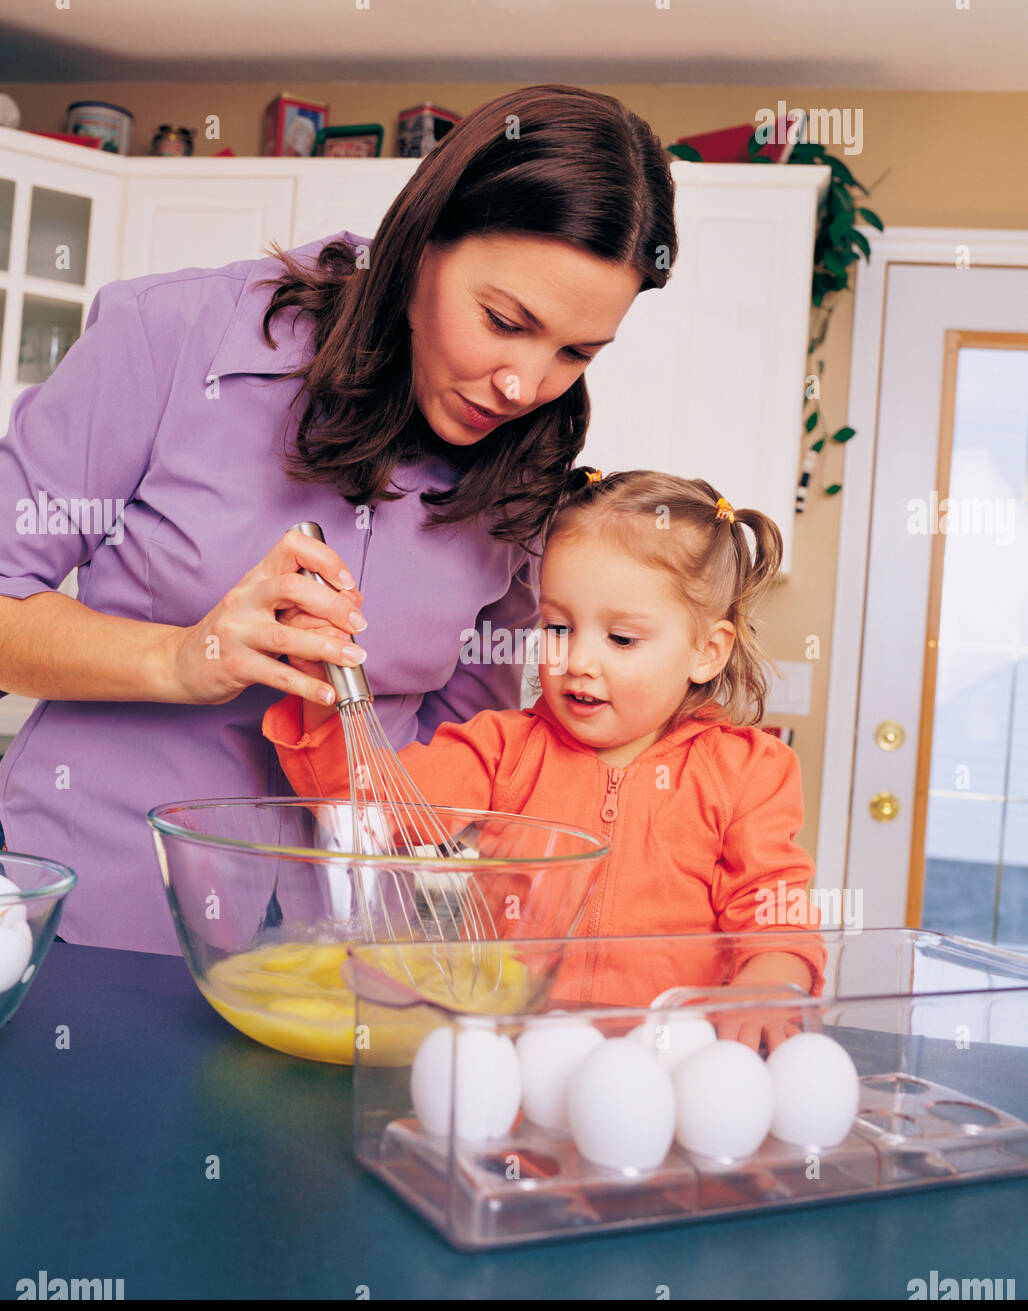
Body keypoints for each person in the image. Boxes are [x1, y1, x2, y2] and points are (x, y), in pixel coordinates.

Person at [0, 85, 677, 952]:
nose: (524, 385)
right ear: (421, 242)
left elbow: (470, 727)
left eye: (577, 352)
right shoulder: (168, 337)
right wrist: (177, 656)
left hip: (360, 946)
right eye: (504, 321)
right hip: (105, 918)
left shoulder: (529, 464)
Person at [264, 471, 827, 1048]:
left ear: (707, 652)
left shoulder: (749, 773)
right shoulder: (503, 750)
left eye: (622, 639)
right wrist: (320, 685)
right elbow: (375, 806)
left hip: (665, 1059)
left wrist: (772, 984)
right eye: (559, 626)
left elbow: (773, 909)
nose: (577, 660)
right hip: (515, 1046)